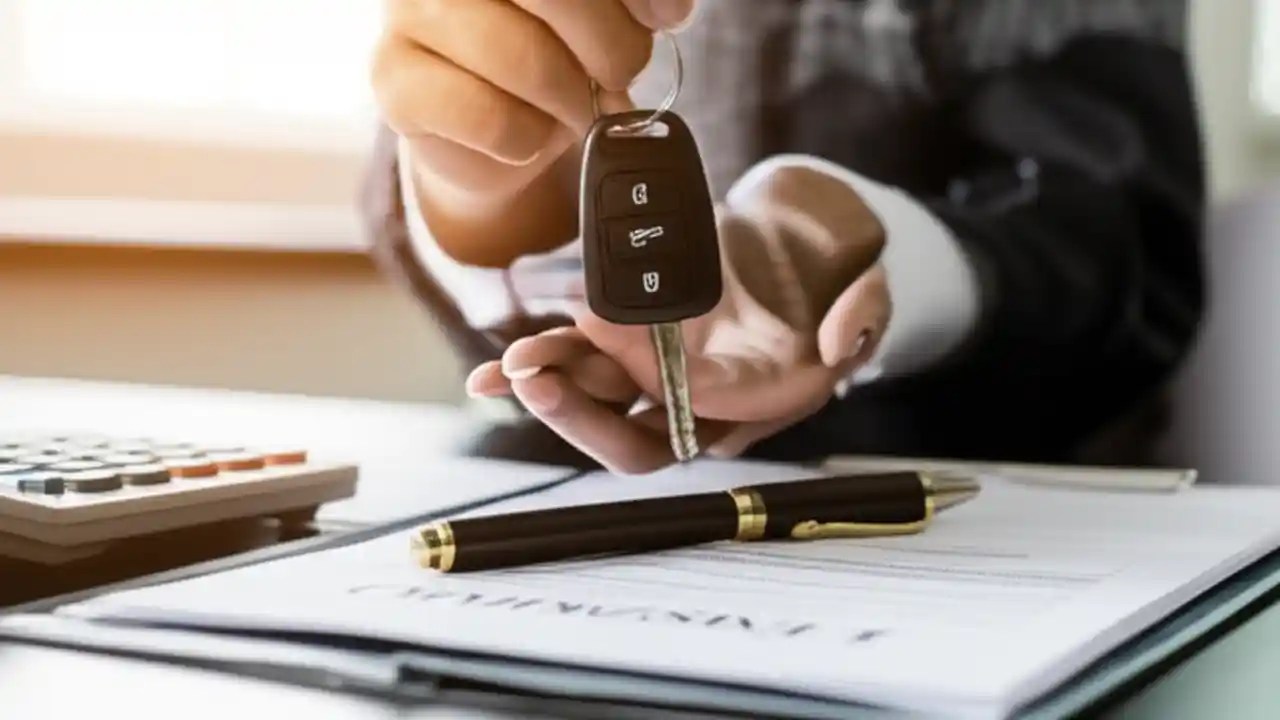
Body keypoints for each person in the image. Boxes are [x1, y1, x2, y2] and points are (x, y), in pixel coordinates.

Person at [363, 0, 1206, 475]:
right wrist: (473, 186)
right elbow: (445, 197)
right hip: (553, 505)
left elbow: (1119, 250)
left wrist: (877, 255)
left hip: (994, 510)